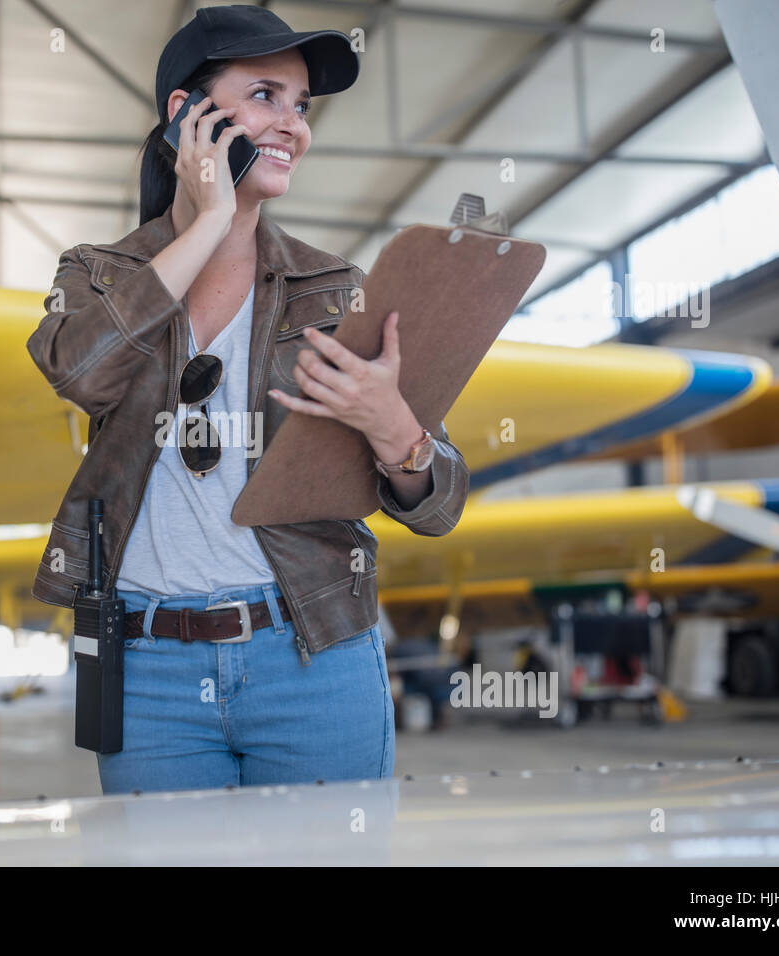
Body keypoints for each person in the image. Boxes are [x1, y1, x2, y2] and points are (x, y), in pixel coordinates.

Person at [26, 5, 469, 794]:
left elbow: (437, 504)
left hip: (313, 653)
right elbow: (78, 372)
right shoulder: (96, 274)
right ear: (186, 115)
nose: (293, 125)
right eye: (266, 94)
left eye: (302, 107)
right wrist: (210, 221)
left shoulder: (336, 290)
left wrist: (392, 426)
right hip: (149, 668)